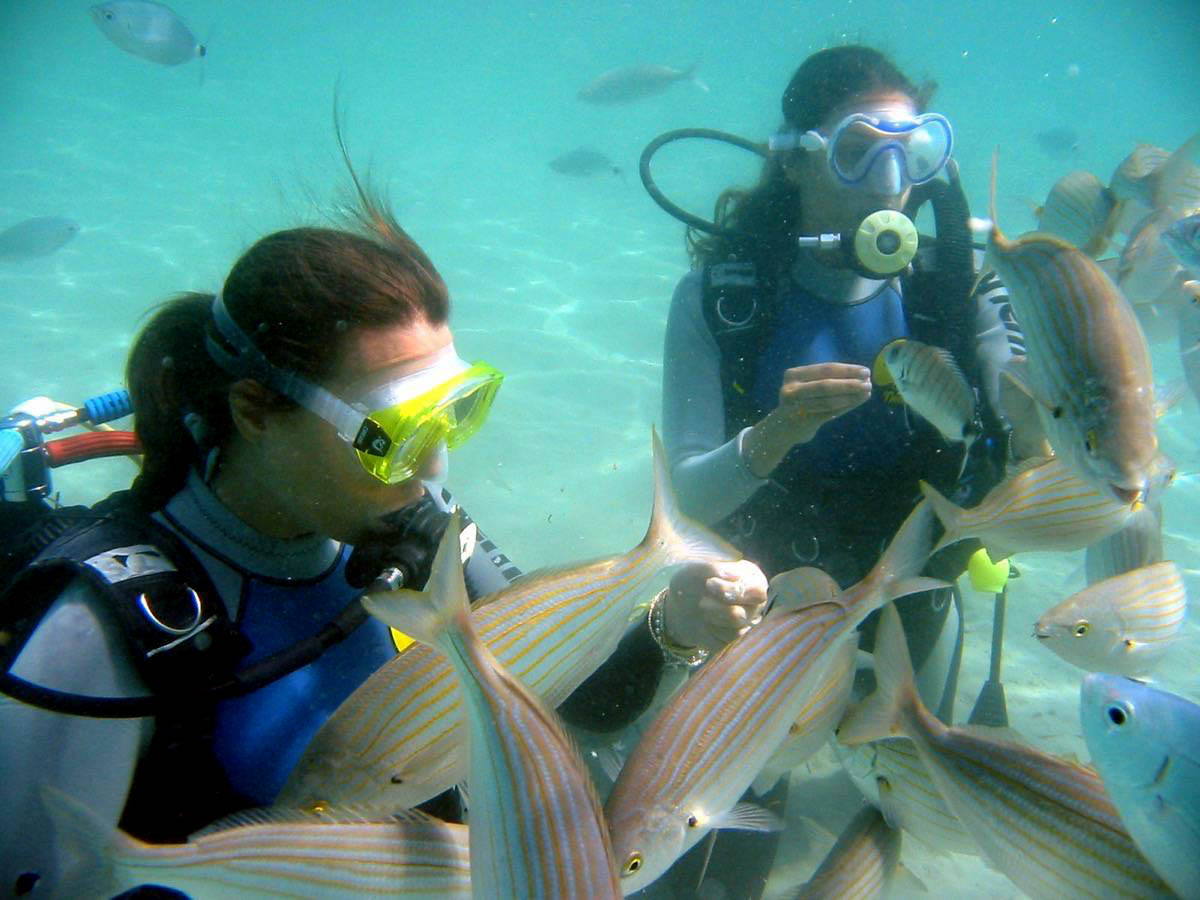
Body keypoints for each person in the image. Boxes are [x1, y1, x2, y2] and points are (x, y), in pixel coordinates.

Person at [0, 160, 766, 896]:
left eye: (454, 412)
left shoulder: (413, 527)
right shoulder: (108, 631)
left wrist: (672, 625)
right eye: (392, 435)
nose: (433, 466)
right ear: (255, 412)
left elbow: (577, 703)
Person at [656, 45, 1019, 897]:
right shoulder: (722, 298)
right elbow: (690, 495)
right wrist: (775, 434)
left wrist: (1058, 339)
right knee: (723, 852)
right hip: (760, 603)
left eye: (914, 149)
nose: (891, 179)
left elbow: (1046, 439)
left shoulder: (955, 291)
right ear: (797, 160)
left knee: (899, 805)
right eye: (861, 149)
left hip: (914, 590)